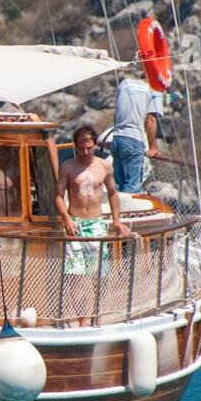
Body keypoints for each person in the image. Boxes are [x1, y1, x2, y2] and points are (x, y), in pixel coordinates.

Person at [56, 126, 129, 323]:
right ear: (75, 147)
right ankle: (82, 319)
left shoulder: (105, 167)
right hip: (75, 223)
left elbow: (113, 193)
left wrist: (116, 221)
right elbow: (58, 196)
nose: (85, 152)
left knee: (100, 273)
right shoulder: (68, 166)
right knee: (74, 273)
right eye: (81, 148)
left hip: (96, 223)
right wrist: (66, 218)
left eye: (89, 148)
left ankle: (95, 312)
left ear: (95, 146)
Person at [109, 73, 164, 193]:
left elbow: (117, 112)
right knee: (132, 187)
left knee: (117, 186)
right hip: (133, 140)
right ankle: (128, 211)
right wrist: (153, 147)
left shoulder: (125, 83)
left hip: (117, 138)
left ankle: (118, 210)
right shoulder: (155, 89)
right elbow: (150, 120)